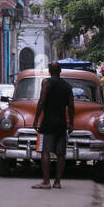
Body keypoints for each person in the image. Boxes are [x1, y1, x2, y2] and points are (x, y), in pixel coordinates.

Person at [31, 62, 75, 190]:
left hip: (48, 121)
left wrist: (36, 118)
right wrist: (71, 122)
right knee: (61, 153)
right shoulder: (67, 86)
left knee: (45, 151)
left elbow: (42, 101)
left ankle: (46, 181)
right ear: (60, 70)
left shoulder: (46, 82)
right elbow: (71, 106)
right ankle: (57, 182)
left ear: (49, 71)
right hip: (62, 122)